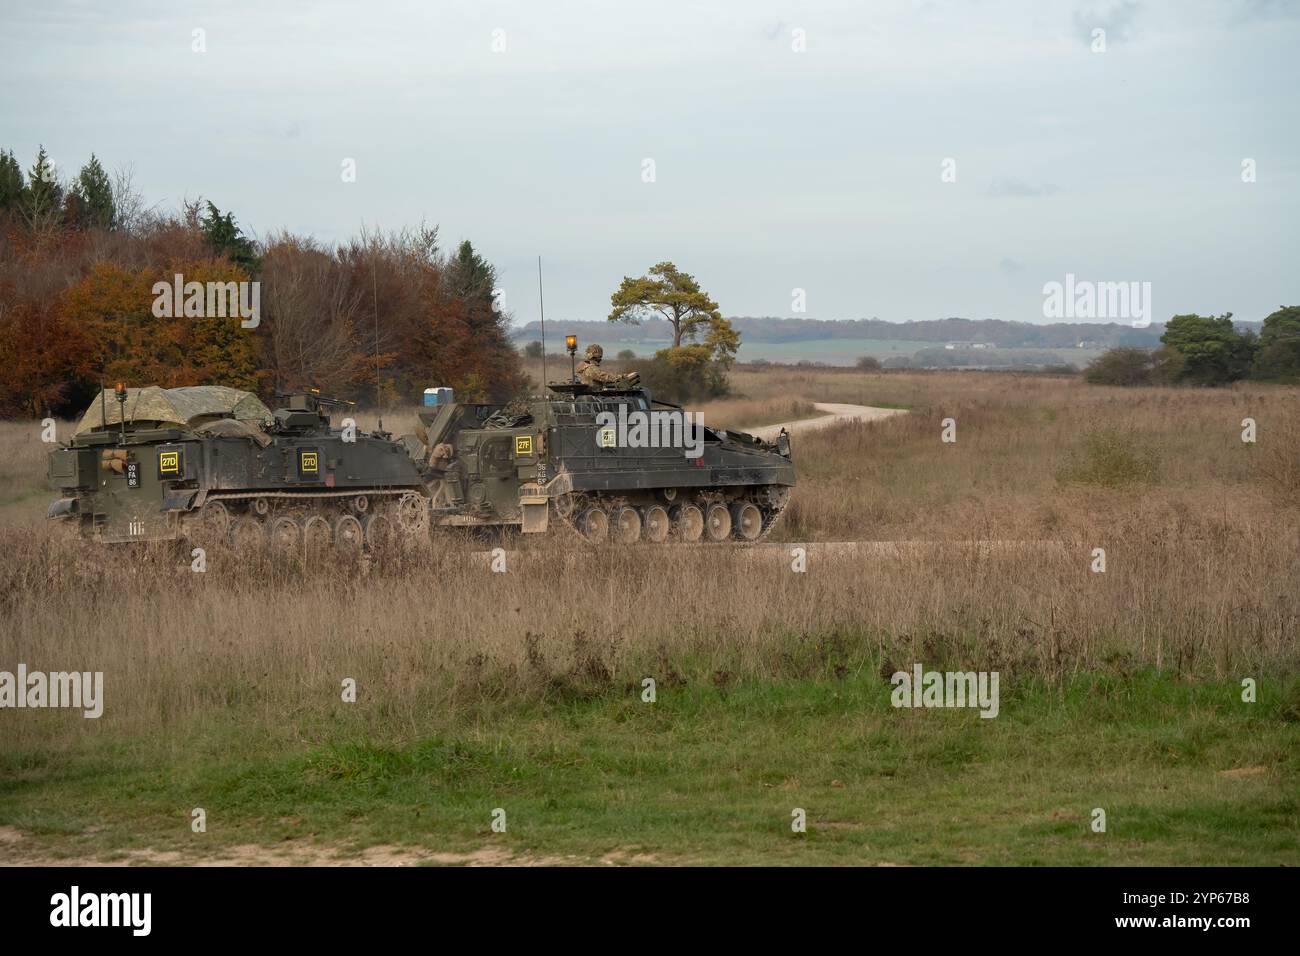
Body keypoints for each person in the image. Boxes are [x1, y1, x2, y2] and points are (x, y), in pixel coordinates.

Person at [429, 442, 466, 507]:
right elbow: (435, 462)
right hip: (437, 469)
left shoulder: (440, 448)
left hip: (438, 469)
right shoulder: (440, 449)